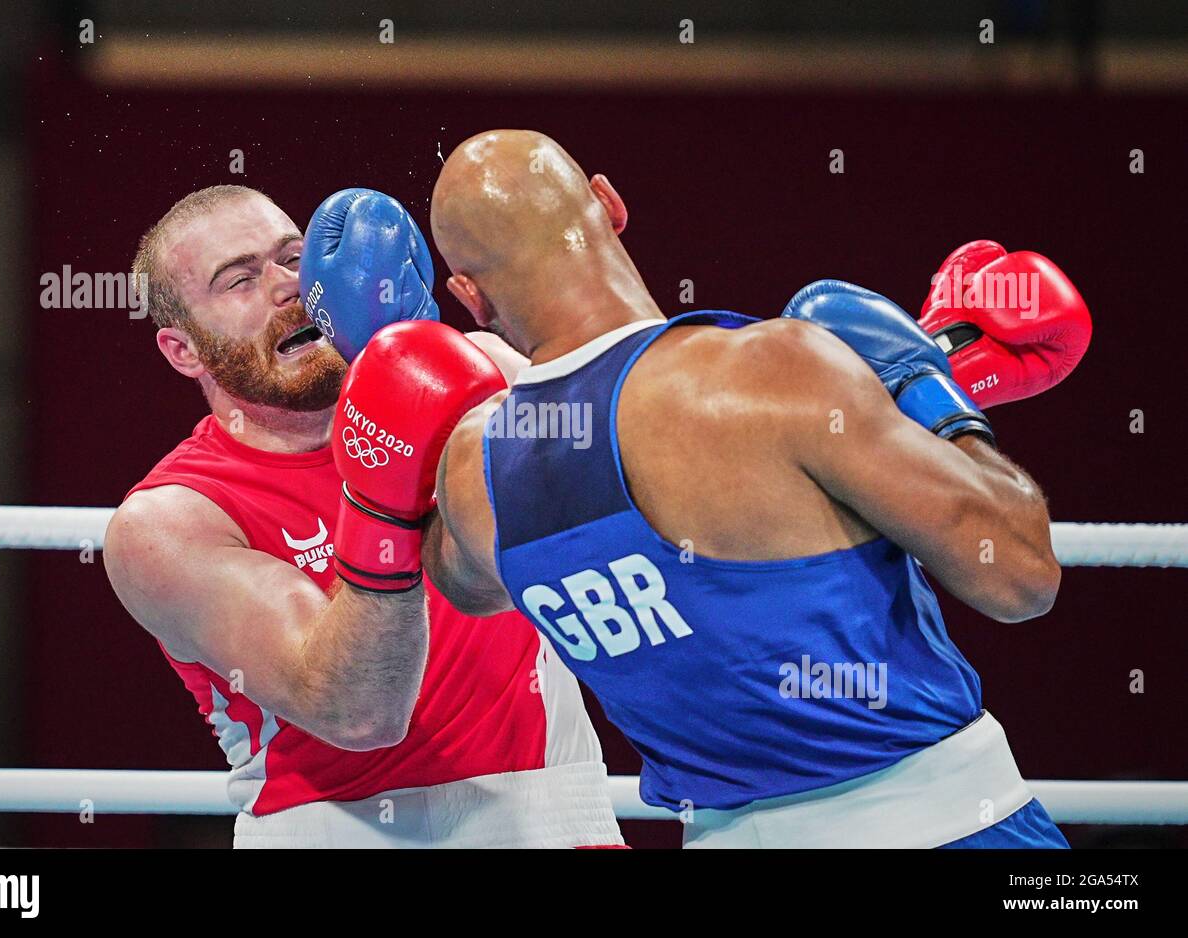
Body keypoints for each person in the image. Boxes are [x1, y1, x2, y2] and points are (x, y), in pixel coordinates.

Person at [331, 129, 1089, 847]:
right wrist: (933, 388)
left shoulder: (476, 476)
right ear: (610, 203)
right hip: (948, 822)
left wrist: (385, 427)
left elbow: (466, 584)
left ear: (469, 294)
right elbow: (1021, 577)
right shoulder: (779, 373)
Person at [104, 184, 623, 848]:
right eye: (238, 280)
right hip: (338, 831)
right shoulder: (171, 522)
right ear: (185, 351)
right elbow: (356, 714)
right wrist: (387, 483)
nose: (287, 286)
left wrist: (598, 283)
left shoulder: (476, 376)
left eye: (294, 257)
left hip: (549, 812)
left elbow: (641, 462)